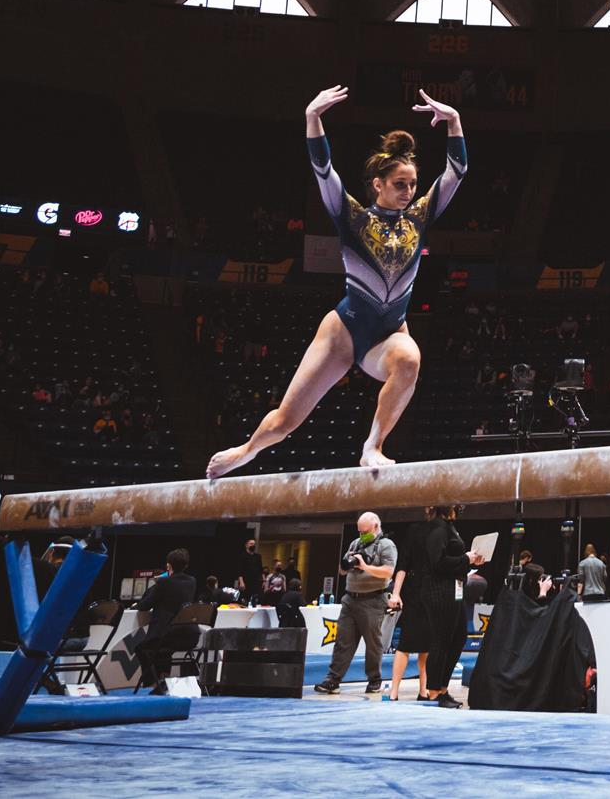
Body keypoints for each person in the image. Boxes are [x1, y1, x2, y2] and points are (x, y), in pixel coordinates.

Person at [208, 86, 466, 477]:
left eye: (413, 185)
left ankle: (373, 446)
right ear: (378, 184)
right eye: (400, 184)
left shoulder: (419, 217)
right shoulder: (353, 218)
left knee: (410, 359)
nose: (409, 192)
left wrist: (455, 122)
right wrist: (313, 118)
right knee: (285, 422)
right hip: (345, 330)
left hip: (389, 333)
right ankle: (247, 450)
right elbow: (323, 172)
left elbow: (457, 172)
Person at [393, 504, 486, 706]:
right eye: (455, 505)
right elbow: (437, 563)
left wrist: (469, 561)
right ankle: (434, 691)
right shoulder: (437, 528)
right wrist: (465, 558)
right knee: (441, 641)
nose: (459, 507)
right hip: (439, 591)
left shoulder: (448, 527)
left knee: (459, 637)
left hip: (454, 589)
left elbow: (450, 559)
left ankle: (442, 688)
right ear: (447, 506)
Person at [314, 511, 398, 696]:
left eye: (365, 531)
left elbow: (388, 572)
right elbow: (342, 571)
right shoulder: (355, 543)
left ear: (376, 527)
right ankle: (332, 680)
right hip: (350, 599)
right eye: (359, 531)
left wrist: (365, 567)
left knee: (373, 644)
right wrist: (347, 563)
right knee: (343, 642)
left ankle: (374, 680)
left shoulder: (386, 545)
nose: (362, 535)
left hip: (373, 600)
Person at [133, 548, 200, 690]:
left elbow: (144, 606)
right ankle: (164, 678)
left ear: (168, 566)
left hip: (168, 635)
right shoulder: (192, 582)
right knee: (165, 649)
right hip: (190, 636)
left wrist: (159, 583)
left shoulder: (163, 583)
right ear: (186, 565)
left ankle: (152, 682)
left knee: (143, 648)